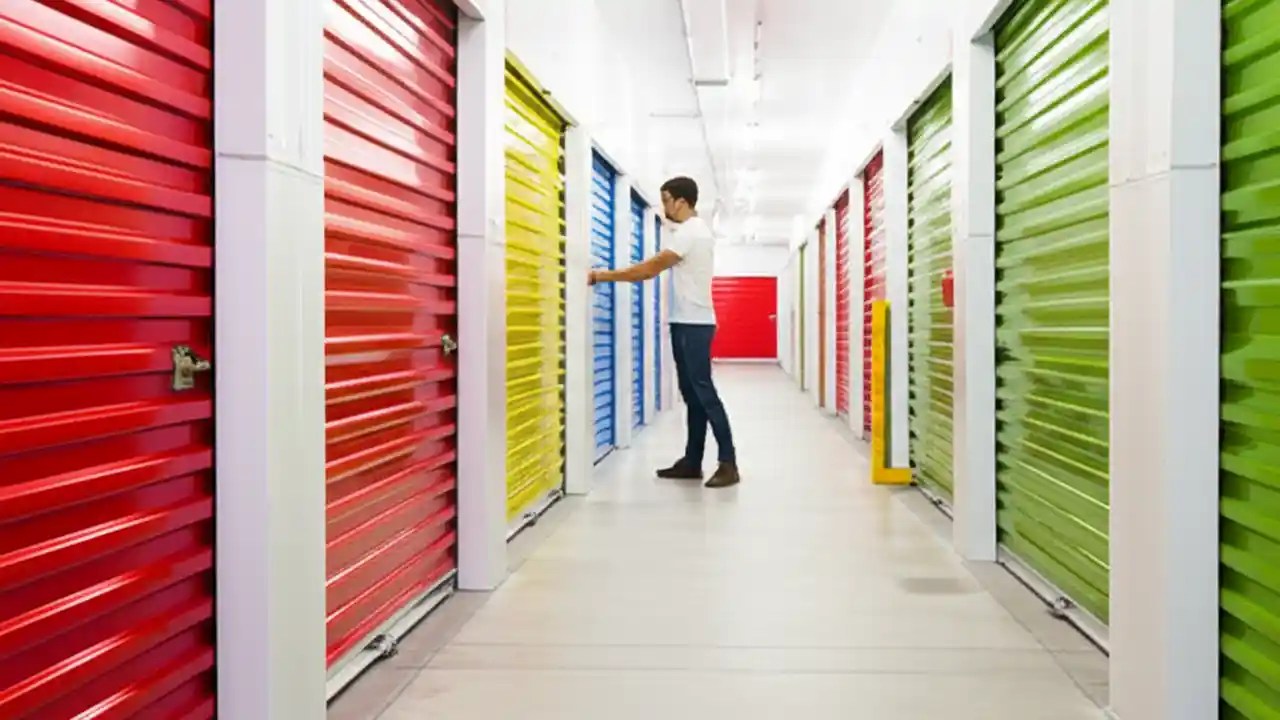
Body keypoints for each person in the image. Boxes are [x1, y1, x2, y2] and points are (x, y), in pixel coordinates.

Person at [588, 176, 740, 488]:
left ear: (682, 201)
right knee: (693, 396)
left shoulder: (691, 232)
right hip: (685, 321)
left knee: (704, 393)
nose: (664, 206)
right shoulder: (690, 232)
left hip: (695, 324)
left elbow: (647, 270)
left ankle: (729, 462)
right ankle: (693, 460)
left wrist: (601, 275)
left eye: (667, 200)